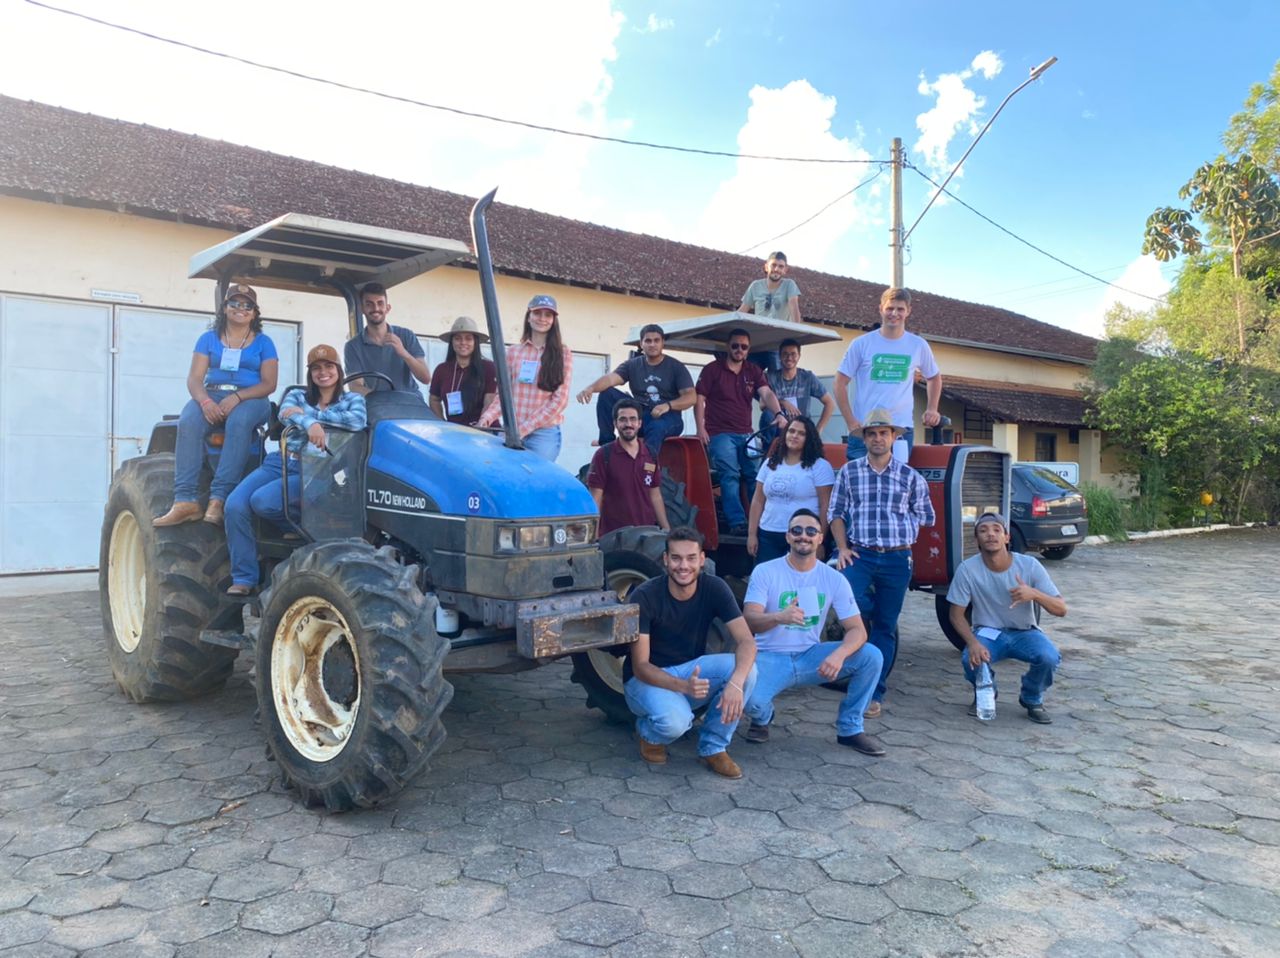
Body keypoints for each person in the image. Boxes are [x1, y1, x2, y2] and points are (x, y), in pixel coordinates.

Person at [223, 345, 366, 595]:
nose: (323, 372)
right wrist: (310, 423)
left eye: (329, 366)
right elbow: (286, 415)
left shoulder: (353, 399)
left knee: (263, 501)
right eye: (316, 368)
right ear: (310, 373)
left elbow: (356, 421)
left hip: (318, 468)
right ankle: (244, 577)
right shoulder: (298, 395)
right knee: (234, 505)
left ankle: (298, 527)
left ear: (338, 370)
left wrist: (311, 419)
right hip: (280, 461)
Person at [742, 508, 886, 756]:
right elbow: (750, 620)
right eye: (797, 530)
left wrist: (839, 654)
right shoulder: (765, 571)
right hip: (769, 656)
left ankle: (850, 728)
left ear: (820, 538)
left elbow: (858, 630)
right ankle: (763, 717)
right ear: (787, 536)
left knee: (871, 656)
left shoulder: (833, 578)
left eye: (811, 531)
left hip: (810, 655)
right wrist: (778, 616)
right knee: (751, 701)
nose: (804, 536)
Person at [624, 526, 758, 778]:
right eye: (676, 558)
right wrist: (683, 687)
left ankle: (713, 747)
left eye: (691, 558)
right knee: (676, 724)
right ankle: (648, 733)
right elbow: (640, 666)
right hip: (645, 679)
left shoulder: (715, 587)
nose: (683, 566)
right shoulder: (645, 595)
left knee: (747, 671)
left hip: (689, 671)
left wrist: (736, 684)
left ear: (702, 559)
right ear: (666, 559)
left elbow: (747, 642)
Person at [827, 409, 935, 719]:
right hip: (859, 555)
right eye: (872, 433)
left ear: (894, 437)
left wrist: (903, 530)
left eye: (883, 433)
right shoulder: (849, 472)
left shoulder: (910, 477)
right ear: (864, 439)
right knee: (851, 605)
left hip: (897, 559)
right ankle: (869, 620)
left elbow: (926, 516)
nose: (877, 439)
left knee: (885, 628)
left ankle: (874, 692)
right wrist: (842, 547)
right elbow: (835, 512)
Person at [154, 284, 278, 527]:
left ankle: (219, 499)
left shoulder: (265, 343)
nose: (241, 309)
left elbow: (269, 383)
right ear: (225, 308)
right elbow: (195, 379)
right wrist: (205, 401)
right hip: (212, 393)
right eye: (235, 303)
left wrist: (238, 397)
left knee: (239, 421)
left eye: (247, 305)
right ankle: (185, 500)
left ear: (254, 312)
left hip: (252, 398)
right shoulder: (208, 339)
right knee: (188, 420)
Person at [947, 512, 1066, 724]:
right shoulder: (967, 569)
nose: (990, 534)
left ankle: (1031, 698)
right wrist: (972, 643)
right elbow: (955, 614)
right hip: (987, 632)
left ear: (1007, 537)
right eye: (983, 530)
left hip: (1024, 632)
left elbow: (1061, 609)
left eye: (997, 530)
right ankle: (986, 692)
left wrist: (1034, 594)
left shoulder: (1029, 565)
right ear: (976, 539)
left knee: (1049, 657)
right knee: (970, 657)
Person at [694, 328, 787, 536]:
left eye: (743, 347)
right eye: (735, 345)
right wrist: (700, 428)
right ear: (728, 346)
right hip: (720, 433)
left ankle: (760, 520)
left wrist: (779, 413)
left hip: (746, 433)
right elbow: (699, 399)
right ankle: (737, 522)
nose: (739, 350)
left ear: (748, 349)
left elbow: (766, 393)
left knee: (756, 475)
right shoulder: (712, 370)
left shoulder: (753, 371)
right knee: (730, 474)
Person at [834, 287, 942, 461]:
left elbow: (934, 377)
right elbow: (839, 382)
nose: (894, 313)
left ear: (908, 311)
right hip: (864, 429)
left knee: (897, 478)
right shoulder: (861, 344)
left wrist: (932, 409)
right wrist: (850, 421)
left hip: (900, 430)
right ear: (880, 309)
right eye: (890, 308)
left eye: (900, 309)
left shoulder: (918, 345)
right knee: (860, 477)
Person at [477, 294, 573, 461]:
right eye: (537, 313)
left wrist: (524, 429)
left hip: (543, 434)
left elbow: (560, 401)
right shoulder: (513, 352)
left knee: (537, 474)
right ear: (528, 317)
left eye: (548, 315)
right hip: (511, 429)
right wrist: (487, 418)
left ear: (553, 321)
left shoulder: (563, 354)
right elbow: (503, 396)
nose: (542, 318)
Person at [576, 323, 695, 457]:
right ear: (641, 343)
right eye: (648, 341)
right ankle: (607, 447)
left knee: (656, 427)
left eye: (656, 340)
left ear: (663, 343)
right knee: (606, 393)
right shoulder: (632, 365)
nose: (652, 344)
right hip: (640, 413)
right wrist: (591, 388)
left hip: (668, 418)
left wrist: (668, 405)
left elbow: (691, 397)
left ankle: (647, 465)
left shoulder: (676, 367)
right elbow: (610, 379)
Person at [747, 417, 835, 566]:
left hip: (803, 536)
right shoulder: (769, 463)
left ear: (810, 438)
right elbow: (758, 500)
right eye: (791, 431)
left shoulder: (820, 466)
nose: (794, 436)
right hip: (768, 534)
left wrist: (820, 540)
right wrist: (752, 534)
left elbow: (826, 505)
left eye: (801, 433)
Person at [585, 399, 670, 537]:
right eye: (623, 420)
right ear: (615, 423)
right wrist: (593, 537)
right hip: (614, 537)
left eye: (632, 419)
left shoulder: (650, 454)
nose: (628, 424)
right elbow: (595, 499)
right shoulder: (603, 455)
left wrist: (667, 530)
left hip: (646, 535)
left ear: (639, 423)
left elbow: (655, 496)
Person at [343, 283, 432, 395]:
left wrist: (403, 353)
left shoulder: (406, 335)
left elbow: (426, 378)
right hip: (377, 402)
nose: (376, 308)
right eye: (369, 304)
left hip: (410, 400)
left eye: (380, 303)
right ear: (362, 309)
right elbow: (355, 386)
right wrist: (382, 400)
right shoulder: (352, 346)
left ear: (387, 308)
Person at [758, 337, 837, 447]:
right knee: (767, 415)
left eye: (793, 354)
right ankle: (768, 452)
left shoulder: (807, 377)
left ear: (799, 356)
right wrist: (783, 403)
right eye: (785, 354)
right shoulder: (771, 377)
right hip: (779, 427)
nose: (789, 357)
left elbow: (830, 403)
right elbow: (762, 405)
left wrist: (818, 430)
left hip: (801, 427)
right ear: (779, 356)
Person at [428, 316, 497, 425]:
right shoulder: (441, 370)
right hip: (454, 431)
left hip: (485, 430)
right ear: (452, 342)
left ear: (475, 342)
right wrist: (443, 424)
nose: (463, 342)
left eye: (468, 338)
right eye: (458, 338)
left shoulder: (489, 367)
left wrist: (481, 425)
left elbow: (489, 401)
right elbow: (434, 399)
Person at [740, 251, 802, 324]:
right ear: (766, 267)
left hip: (781, 330)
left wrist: (796, 329)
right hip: (759, 330)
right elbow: (742, 312)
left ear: (785, 270)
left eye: (781, 266)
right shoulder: (755, 286)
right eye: (773, 265)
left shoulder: (789, 285)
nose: (776, 269)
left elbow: (794, 309)